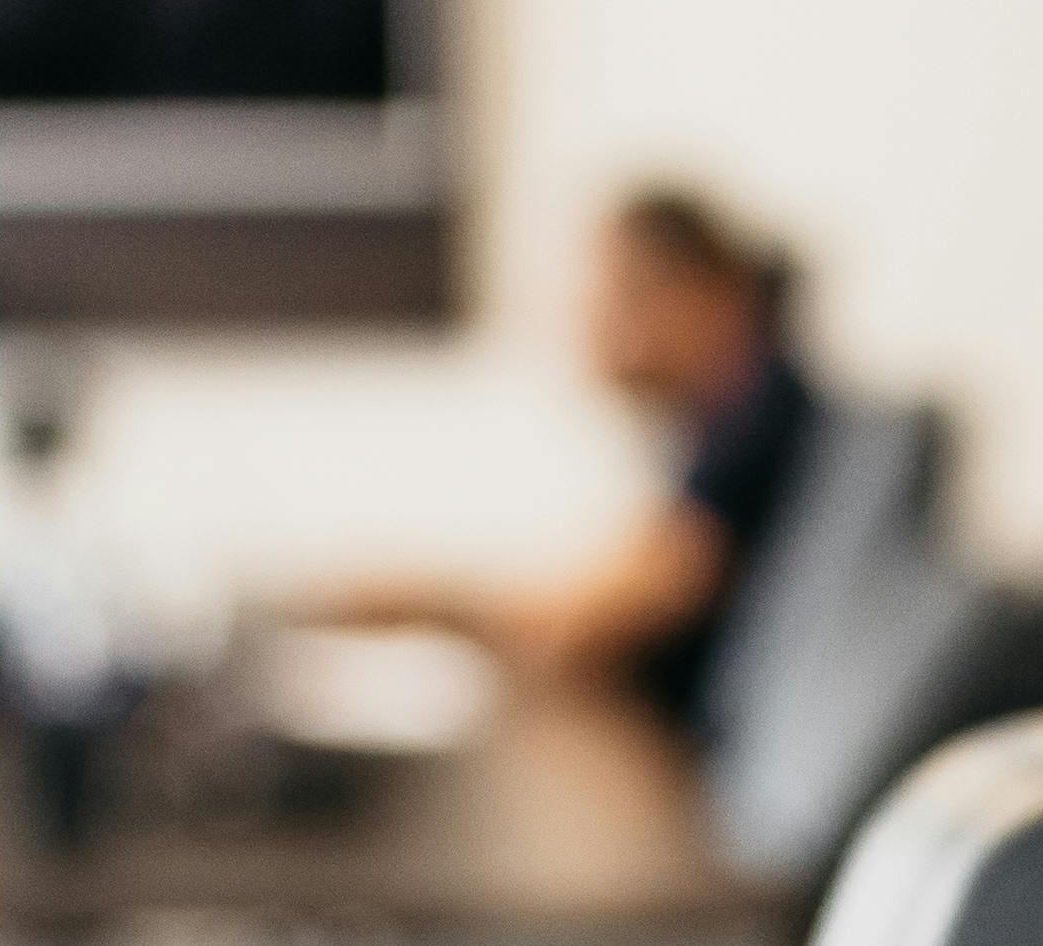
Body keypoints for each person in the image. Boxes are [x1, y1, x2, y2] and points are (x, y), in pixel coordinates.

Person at [318, 186, 822, 741]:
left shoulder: (759, 418)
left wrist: (420, 602)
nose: (590, 327)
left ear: (694, 292)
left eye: (614, 297)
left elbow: (594, 622)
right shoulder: (729, 420)